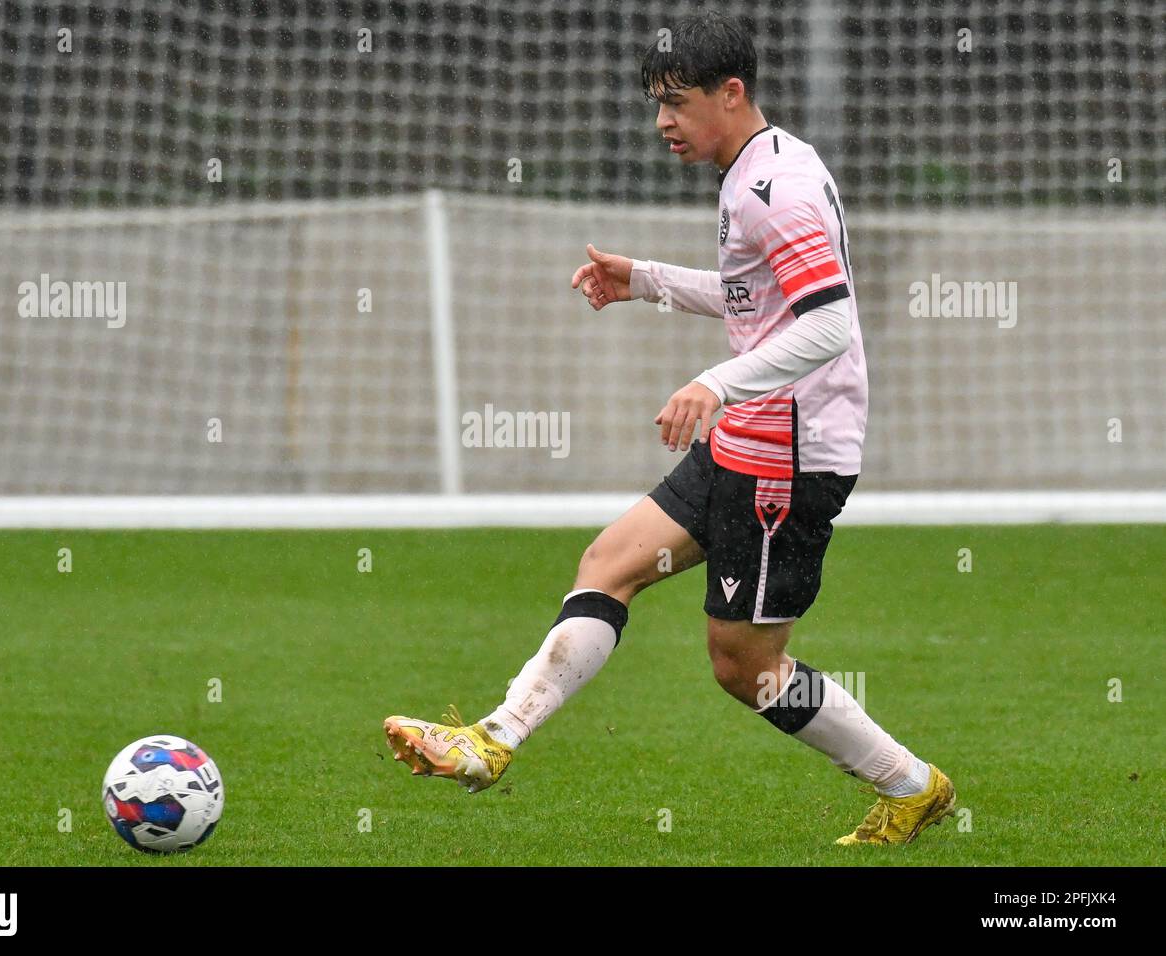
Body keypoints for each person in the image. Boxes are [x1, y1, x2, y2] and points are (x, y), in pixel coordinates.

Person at [384, 11, 955, 846]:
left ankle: (911, 785)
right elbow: (756, 298)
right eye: (656, 102)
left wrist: (714, 382)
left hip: (789, 460)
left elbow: (829, 324)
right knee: (608, 563)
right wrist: (644, 279)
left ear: (732, 93)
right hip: (750, 437)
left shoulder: (777, 191)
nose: (662, 122)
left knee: (745, 669)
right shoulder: (759, 166)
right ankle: (492, 741)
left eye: (677, 102)